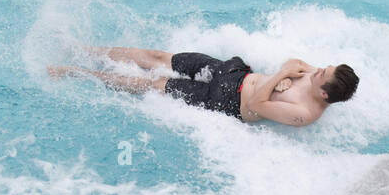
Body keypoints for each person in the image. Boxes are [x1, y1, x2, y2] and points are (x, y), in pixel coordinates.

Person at [48, 47, 357, 126]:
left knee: (153, 84)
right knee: (159, 57)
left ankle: (73, 72)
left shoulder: (303, 114)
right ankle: (82, 49)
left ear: (324, 94)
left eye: (322, 75)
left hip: (224, 99)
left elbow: (256, 106)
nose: (317, 70)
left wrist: (280, 76)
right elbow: (296, 61)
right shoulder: (318, 77)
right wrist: (287, 72)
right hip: (232, 72)